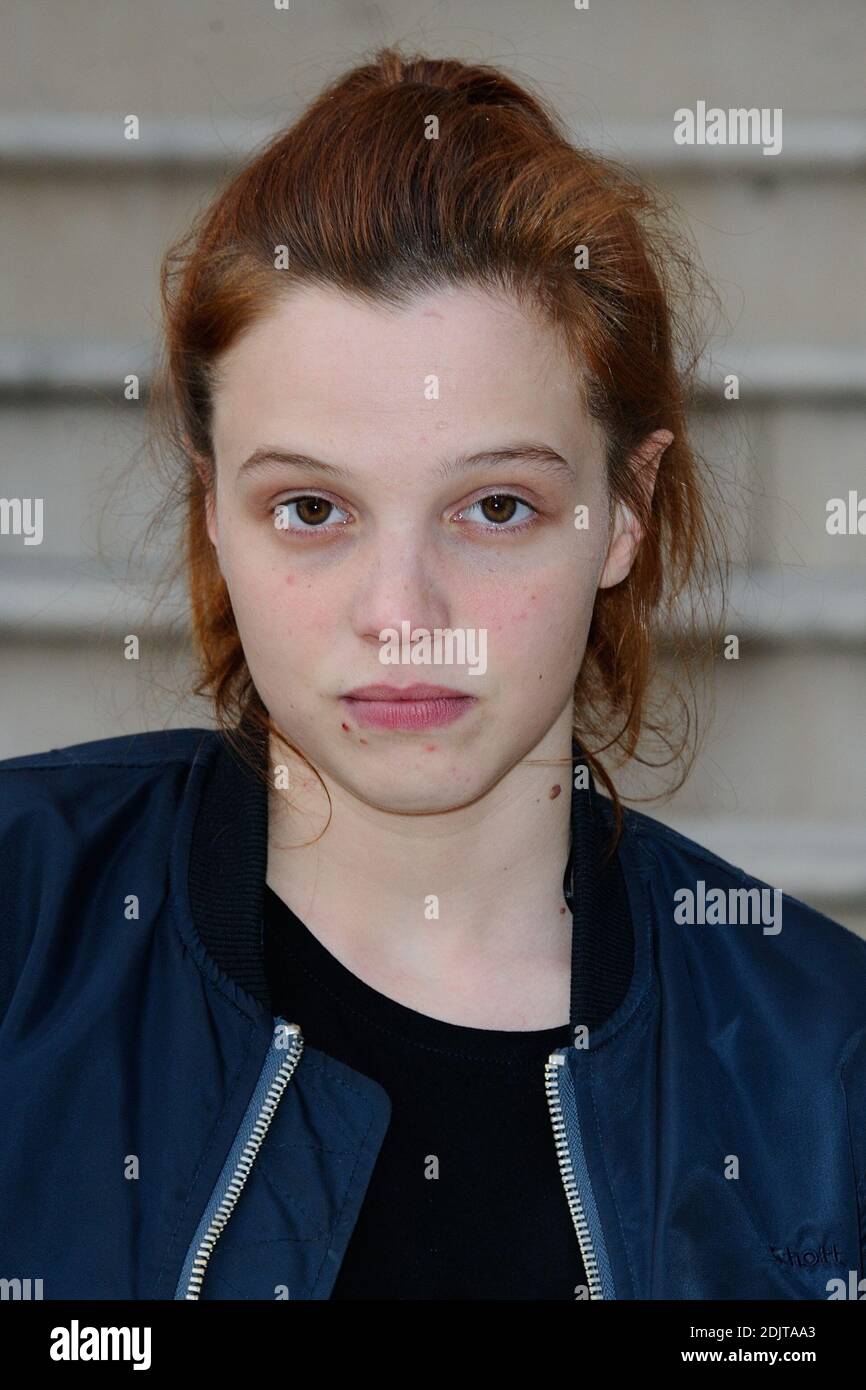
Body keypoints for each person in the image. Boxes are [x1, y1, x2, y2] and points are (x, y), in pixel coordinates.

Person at [1, 46, 864, 1303]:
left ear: (623, 510)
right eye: (310, 507)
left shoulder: (823, 1065)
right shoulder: (24, 923)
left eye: (496, 506)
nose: (401, 615)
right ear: (212, 510)